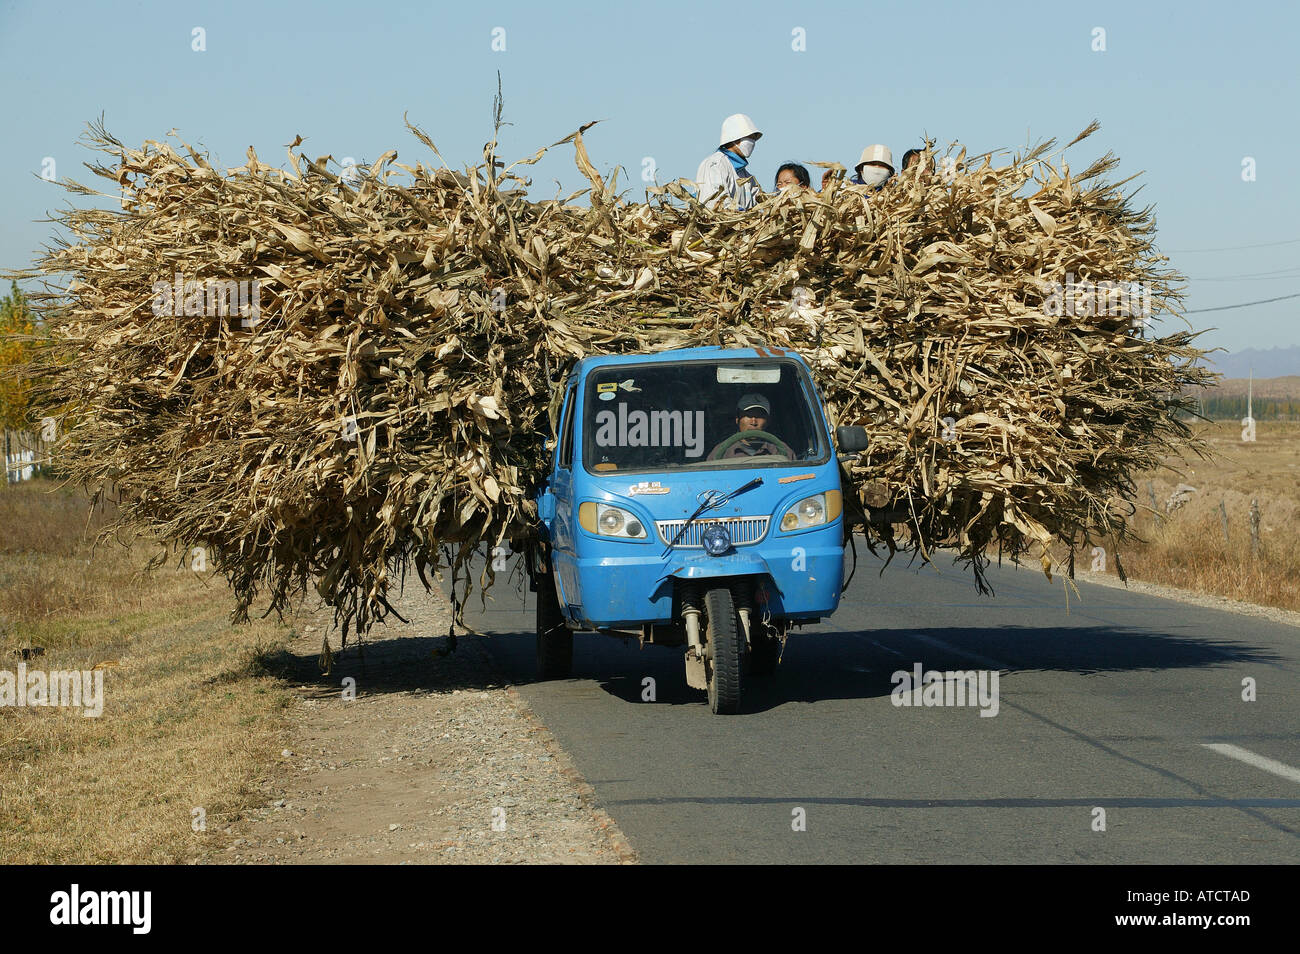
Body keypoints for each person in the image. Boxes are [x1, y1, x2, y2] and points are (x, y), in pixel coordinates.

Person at [695, 114, 763, 210]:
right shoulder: (715, 164)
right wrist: (740, 214)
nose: (751, 142)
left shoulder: (747, 177)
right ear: (732, 138)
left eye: (753, 138)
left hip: (739, 224)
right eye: (748, 137)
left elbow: (759, 205)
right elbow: (715, 202)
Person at [707, 394, 792, 461]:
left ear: (768, 421)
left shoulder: (780, 450)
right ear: (737, 419)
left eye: (759, 416)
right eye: (748, 415)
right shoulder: (721, 452)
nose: (753, 422)